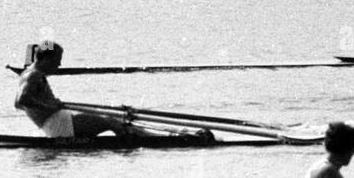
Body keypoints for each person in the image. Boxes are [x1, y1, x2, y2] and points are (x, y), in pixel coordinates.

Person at [14, 41, 211, 141]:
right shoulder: (34, 75)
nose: (59, 64)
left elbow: (22, 103)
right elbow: (21, 101)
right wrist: (49, 107)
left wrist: (46, 107)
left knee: (112, 118)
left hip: (57, 122)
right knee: (110, 121)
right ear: (45, 59)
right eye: (57, 60)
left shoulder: (29, 72)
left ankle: (152, 137)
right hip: (59, 125)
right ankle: (161, 140)